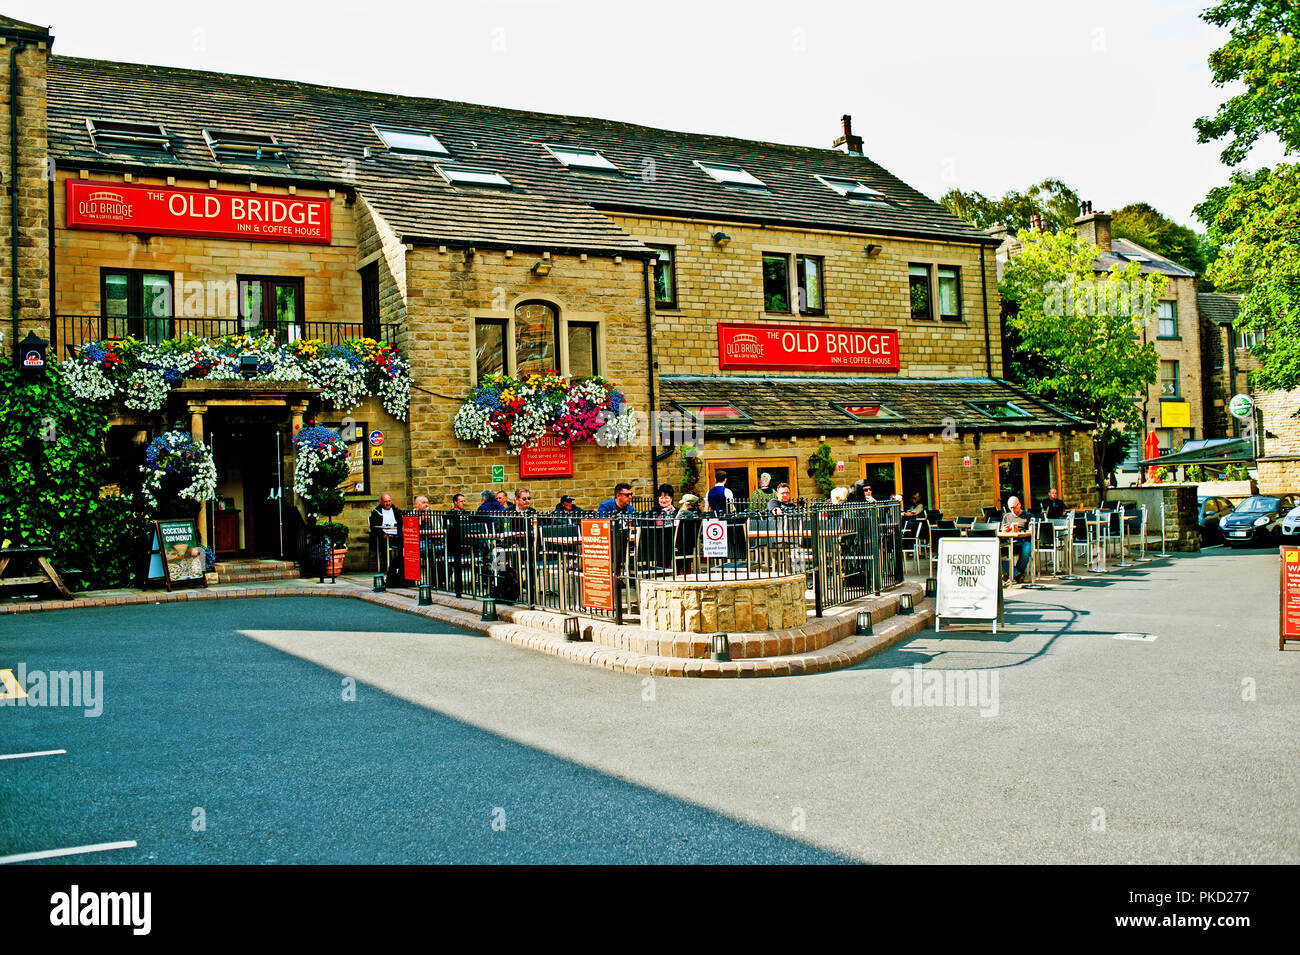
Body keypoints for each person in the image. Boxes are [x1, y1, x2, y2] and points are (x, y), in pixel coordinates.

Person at [368, 493, 403, 581]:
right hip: (384, 535)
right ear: (381, 502)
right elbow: (374, 526)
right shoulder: (376, 512)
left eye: (389, 501)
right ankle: (387, 567)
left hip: (397, 534)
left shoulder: (396, 510)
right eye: (385, 501)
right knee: (384, 544)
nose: (388, 503)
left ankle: (400, 566)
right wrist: (382, 534)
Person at [1000, 495, 1032, 583]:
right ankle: (1016, 574)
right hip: (1010, 541)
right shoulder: (1006, 516)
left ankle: (1012, 574)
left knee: (1026, 550)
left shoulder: (1028, 516)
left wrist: (1022, 532)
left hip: (1024, 540)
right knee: (999, 553)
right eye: (1011, 508)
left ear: (1019, 505)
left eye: (1014, 507)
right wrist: (1004, 531)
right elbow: (1002, 531)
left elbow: (1032, 531)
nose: (1013, 510)